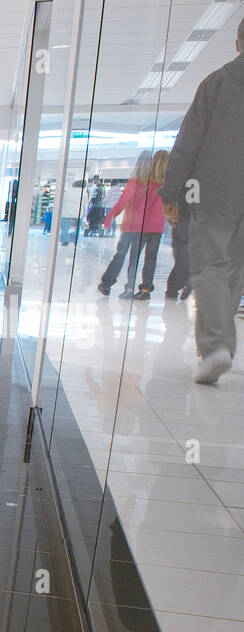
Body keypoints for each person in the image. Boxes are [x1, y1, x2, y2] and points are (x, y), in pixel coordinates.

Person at [162, 18, 244, 385]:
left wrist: (172, 192)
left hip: (213, 192)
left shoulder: (218, 83)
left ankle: (214, 348)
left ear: (238, 42)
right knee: (234, 273)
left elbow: (188, 143)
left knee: (211, 267)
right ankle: (219, 345)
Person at [97, 150, 166, 300]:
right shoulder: (160, 184)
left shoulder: (136, 182)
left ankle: (111, 284)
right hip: (156, 227)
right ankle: (144, 289)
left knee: (123, 255)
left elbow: (122, 202)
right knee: (149, 258)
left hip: (134, 226)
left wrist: (110, 217)